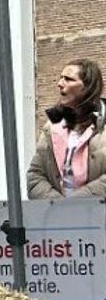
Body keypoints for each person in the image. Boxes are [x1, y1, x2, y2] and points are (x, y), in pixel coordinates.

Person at [26, 60, 106, 199]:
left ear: (88, 87)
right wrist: (59, 206)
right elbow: (35, 175)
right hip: (57, 217)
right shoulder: (52, 127)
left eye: (68, 79)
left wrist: (78, 202)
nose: (60, 84)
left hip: (98, 216)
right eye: (61, 78)